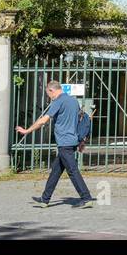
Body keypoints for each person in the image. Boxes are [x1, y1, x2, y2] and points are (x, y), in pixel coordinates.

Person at [17, 80, 94, 208]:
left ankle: (86, 197)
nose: (50, 97)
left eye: (49, 94)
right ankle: (45, 199)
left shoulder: (58, 101)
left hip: (65, 143)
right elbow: (82, 120)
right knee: (56, 171)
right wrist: (82, 141)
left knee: (73, 171)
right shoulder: (73, 101)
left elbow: (43, 121)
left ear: (52, 90)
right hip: (72, 140)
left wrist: (27, 131)